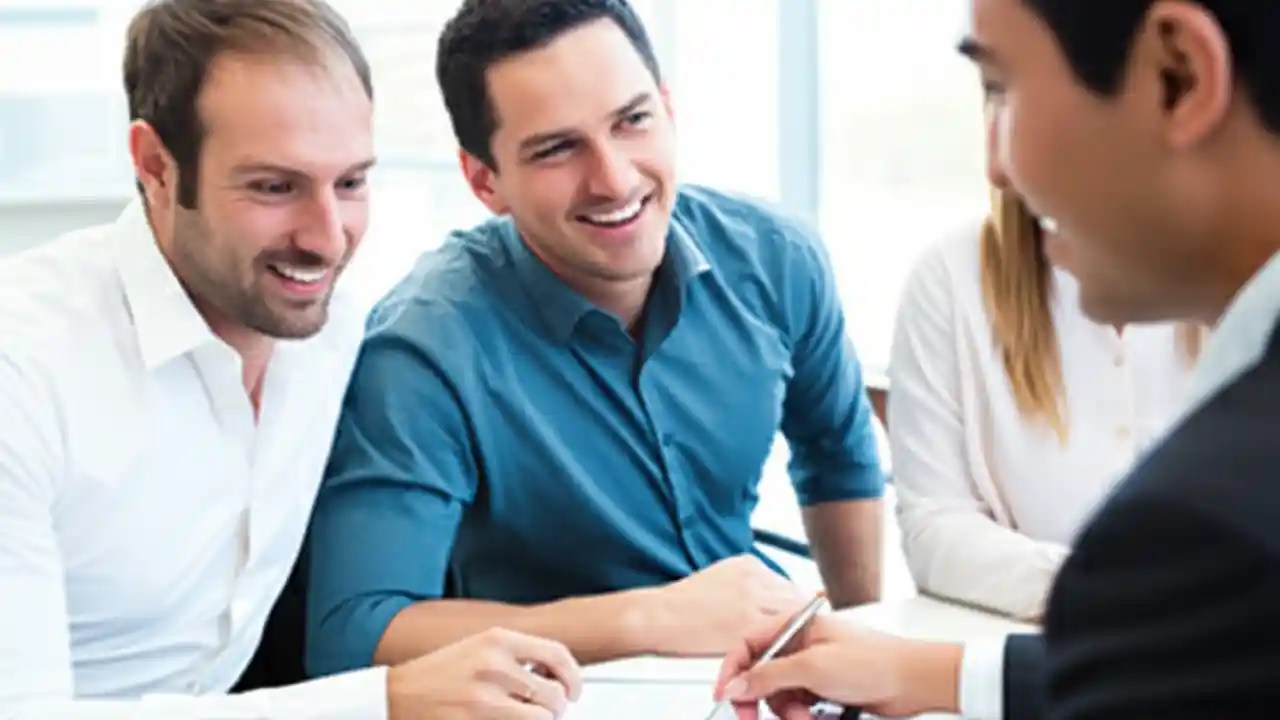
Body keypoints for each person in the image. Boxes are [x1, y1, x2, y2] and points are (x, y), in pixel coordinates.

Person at [0, 2, 580, 718]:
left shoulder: (336, 336)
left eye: (352, 183)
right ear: (155, 165)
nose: (327, 238)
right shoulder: (22, 369)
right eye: (274, 188)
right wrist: (380, 702)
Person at [715, 0, 1280, 718]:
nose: (995, 165)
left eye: (1007, 87)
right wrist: (930, 675)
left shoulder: (1205, 526)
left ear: (1180, 77)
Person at [303, 0, 885, 679]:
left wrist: (856, 658)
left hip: (757, 673)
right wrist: (650, 617)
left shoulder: (776, 257)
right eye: (556, 148)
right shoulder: (425, 346)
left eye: (632, 121)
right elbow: (353, 632)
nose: (614, 179)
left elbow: (838, 459)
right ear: (484, 179)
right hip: (567, 695)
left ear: (667, 109)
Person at [890, 184, 1200, 621]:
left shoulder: (1248, 274)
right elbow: (935, 528)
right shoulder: (952, 275)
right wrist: (1097, 589)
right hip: (1037, 650)